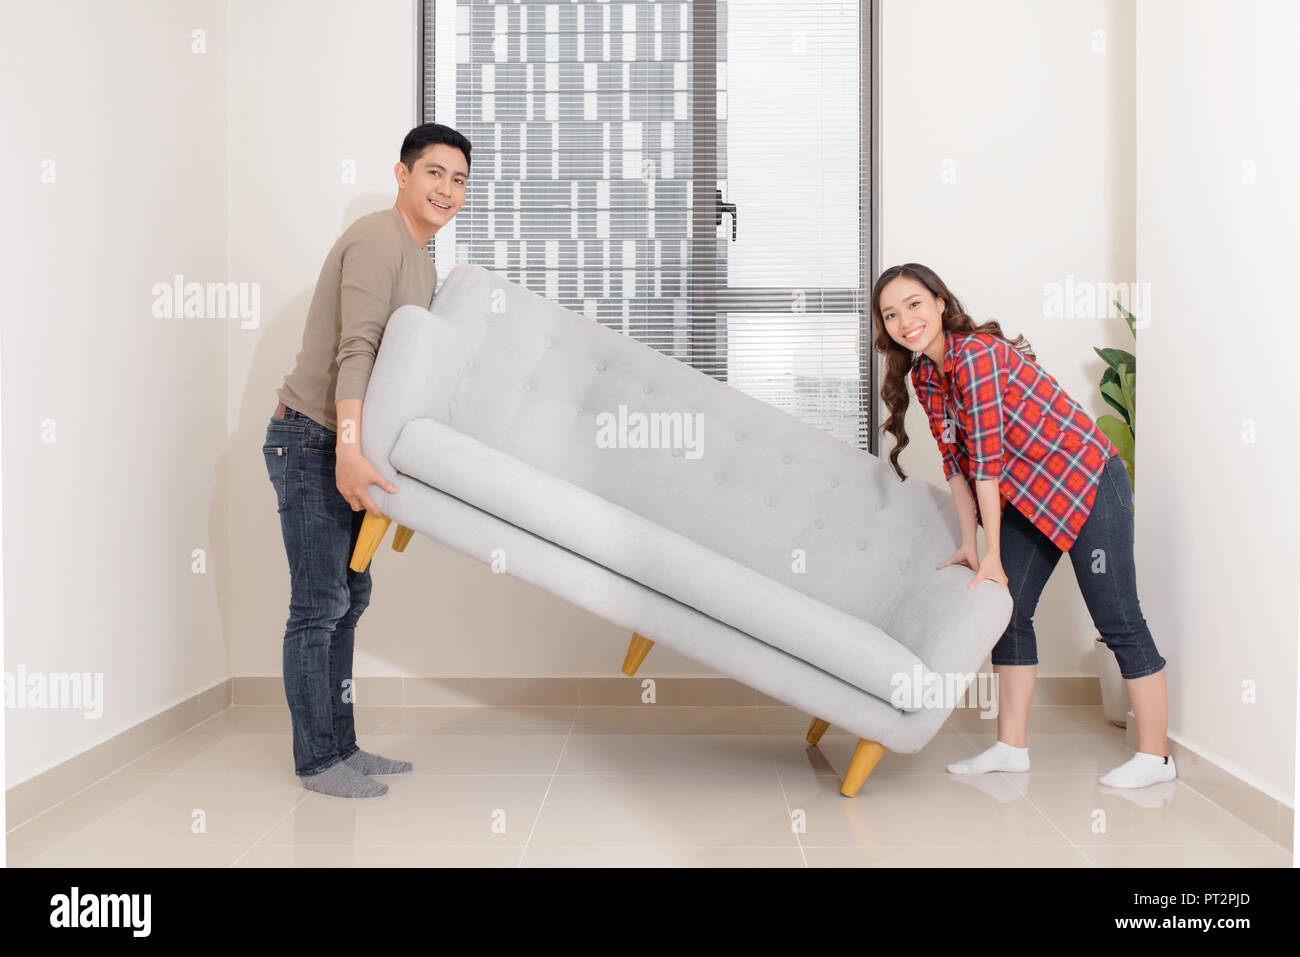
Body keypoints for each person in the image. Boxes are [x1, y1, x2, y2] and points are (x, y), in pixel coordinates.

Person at [872, 262, 1174, 789]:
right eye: (891, 314)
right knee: (1005, 612)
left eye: (914, 304)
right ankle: (1011, 748)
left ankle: (1157, 757)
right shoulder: (924, 374)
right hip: (1031, 499)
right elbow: (958, 465)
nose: (905, 321)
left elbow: (987, 461)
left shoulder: (978, 356)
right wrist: (971, 545)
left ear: (941, 302)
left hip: (1088, 483)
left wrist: (993, 551)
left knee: (1118, 619)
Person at [263, 123, 472, 798]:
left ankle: (341, 745)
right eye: (435, 172)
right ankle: (316, 760)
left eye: (459, 179)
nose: (447, 188)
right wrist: (350, 453)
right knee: (318, 604)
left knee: (348, 599)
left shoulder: (423, 260)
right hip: (313, 436)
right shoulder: (380, 239)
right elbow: (357, 350)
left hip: (344, 437)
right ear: (402, 174)